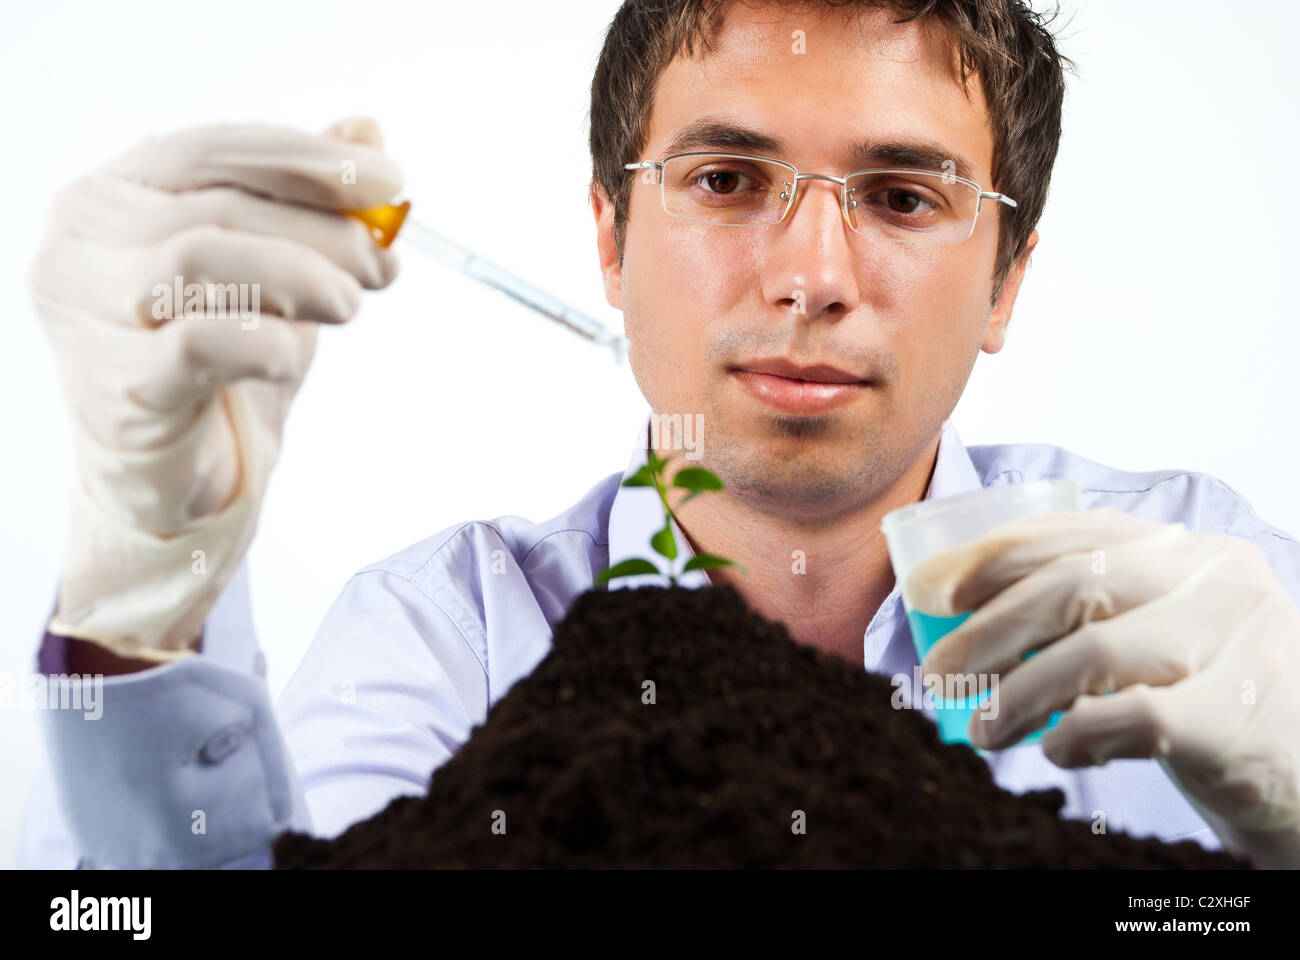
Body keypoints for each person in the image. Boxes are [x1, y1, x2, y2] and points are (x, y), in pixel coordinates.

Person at [20, 0, 1300, 869]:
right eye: (726, 180)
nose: (808, 276)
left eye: (902, 196)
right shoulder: (448, 638)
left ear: (1007, 281)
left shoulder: (1200, 591)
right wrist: (143, 587)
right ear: (609, 242)